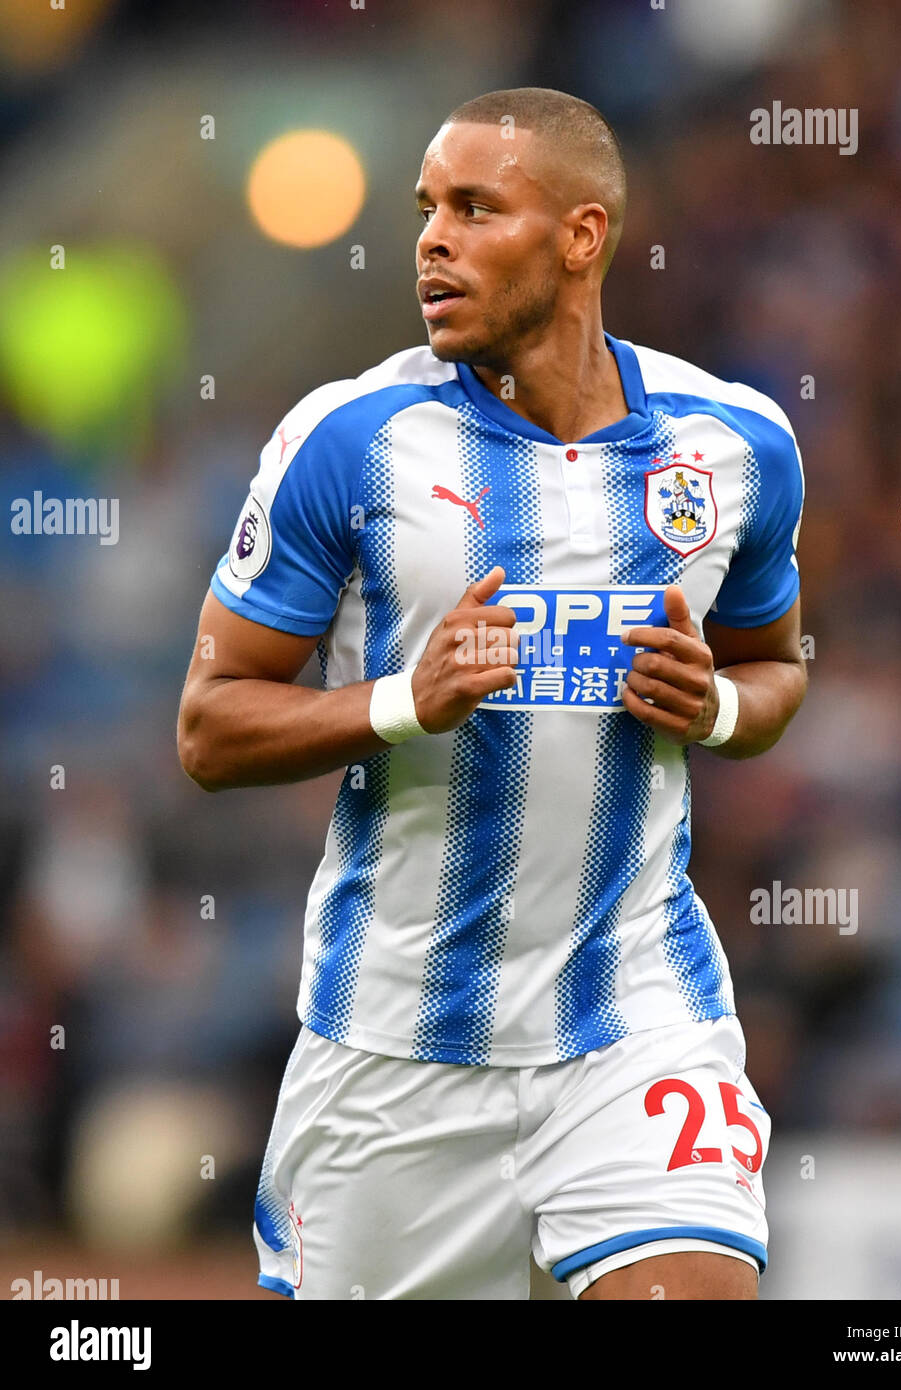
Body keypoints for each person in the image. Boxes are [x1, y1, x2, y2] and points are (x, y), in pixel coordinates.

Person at [177, 87, 806, 1301]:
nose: (431, 239)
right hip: (394, 1050)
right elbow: (208, 727)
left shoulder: (733, 444)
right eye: (427, 210)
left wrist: (715, 707)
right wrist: (400, 701)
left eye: (474, 208)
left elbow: (775, 666)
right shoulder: (349, 440)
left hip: (633, 1019)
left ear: (580, 237)